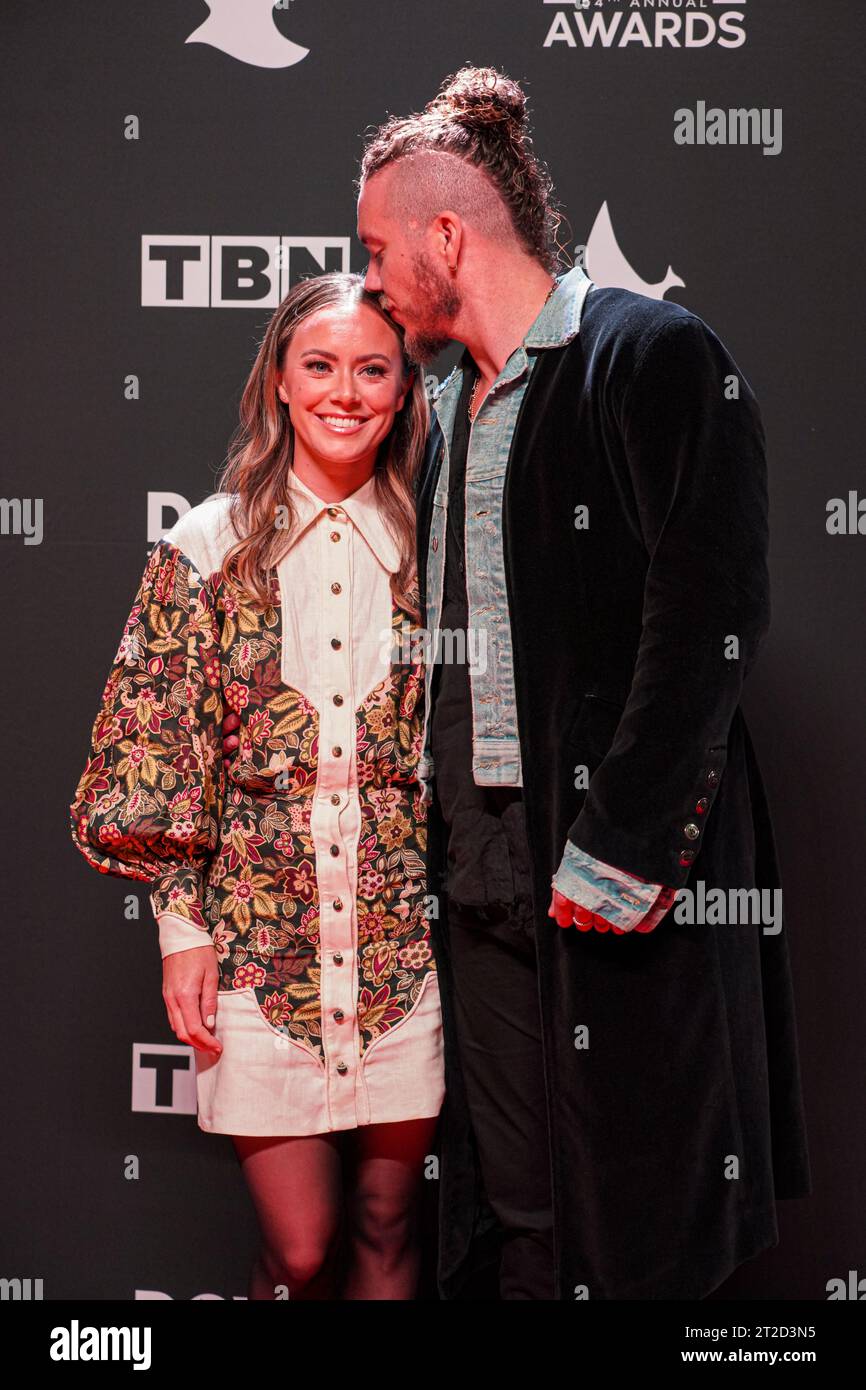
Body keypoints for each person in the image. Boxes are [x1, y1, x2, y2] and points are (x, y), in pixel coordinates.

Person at [352, 65, 812, 1300]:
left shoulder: (649, 351)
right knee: (517, 1207)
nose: (371, 283)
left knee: (638, 1216)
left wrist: (622, 846)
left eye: (378, 249)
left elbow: (709, 613)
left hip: (609, 864)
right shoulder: (446, 408)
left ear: (446, 234)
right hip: (482, 861)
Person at [68, 272, 444, 1300]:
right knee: (303, 1248)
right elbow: (156, 754)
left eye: (373, 369)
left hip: (402, 954)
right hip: (255, 949)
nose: (345, 390)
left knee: (384, 1230)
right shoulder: (205, 546)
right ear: (279, 381)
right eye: (319, 365)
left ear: (405, 389)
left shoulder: (436, 551)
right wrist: (181, 933)